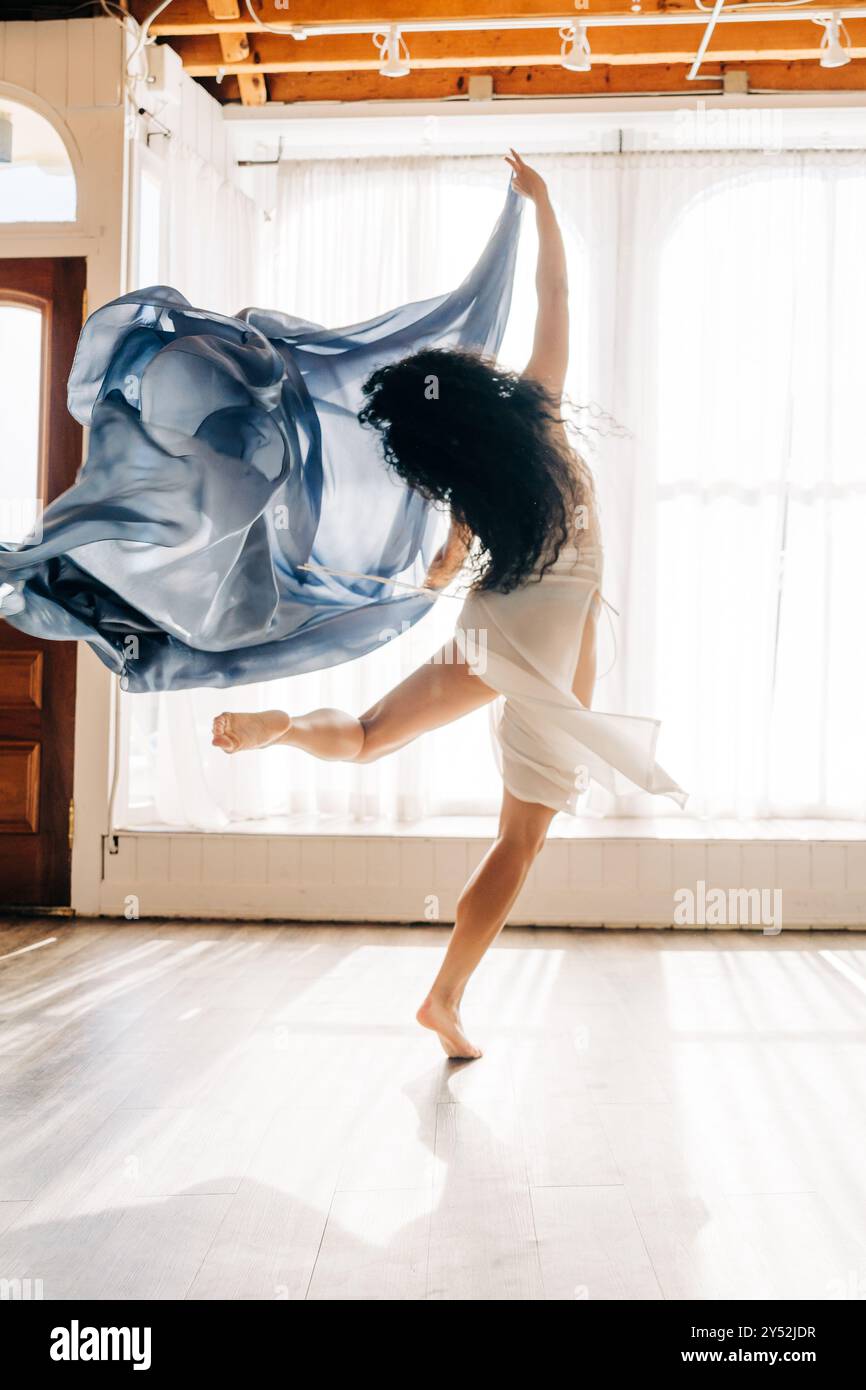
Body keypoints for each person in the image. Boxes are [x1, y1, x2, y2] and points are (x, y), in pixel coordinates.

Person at [212, 152, 685, 1060]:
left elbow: (439, 576)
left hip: (491, 626)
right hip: (555, 646)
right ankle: (445, 998)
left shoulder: (464, 488)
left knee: (366, 733)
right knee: (519, 841)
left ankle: (283, 728)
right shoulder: (540, 418)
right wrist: (543, 206)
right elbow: (556, 299)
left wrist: (392, 586)